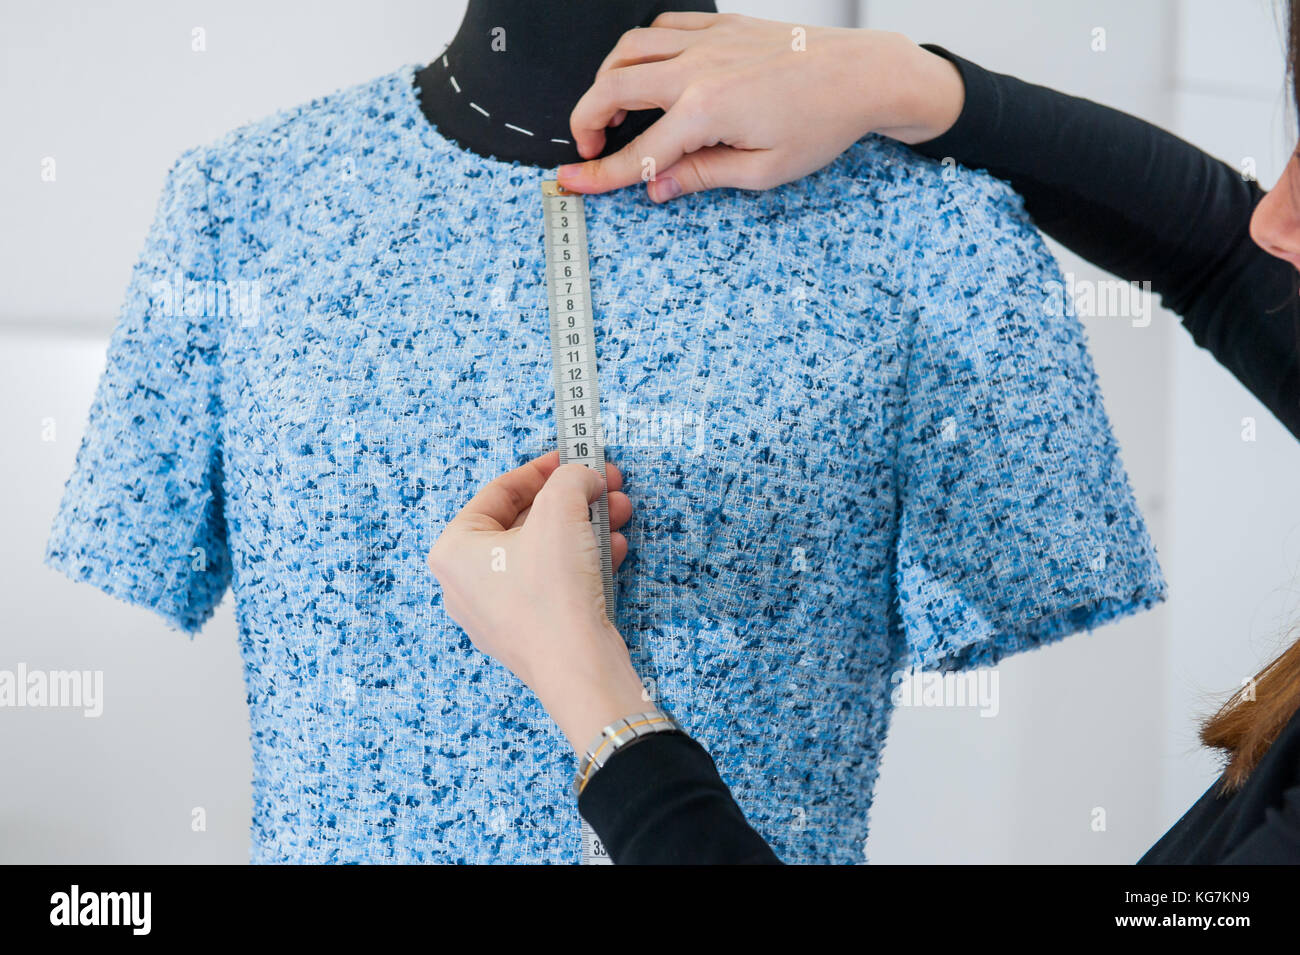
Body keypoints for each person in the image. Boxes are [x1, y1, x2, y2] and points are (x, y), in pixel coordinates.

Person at [428, 11, 1300, 864]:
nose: (1277, 220)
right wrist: (901, 82)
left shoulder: (926, 233)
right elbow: (1221, 252)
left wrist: (594, 697)